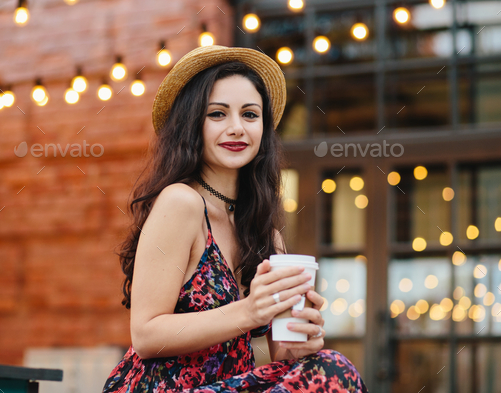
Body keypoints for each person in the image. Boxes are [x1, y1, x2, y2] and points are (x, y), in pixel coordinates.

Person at [102, 45, 368, 393]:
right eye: (217, 114)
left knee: (327, 368)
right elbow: (146, 334)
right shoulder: (182, 202)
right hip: (161, 388)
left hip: (230, 385)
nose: (236, 128)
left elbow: (282, 359)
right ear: (192, 124)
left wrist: (305, 339)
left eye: (250, 114)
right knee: (335, 369)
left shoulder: (265, 233)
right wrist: (249, 312)